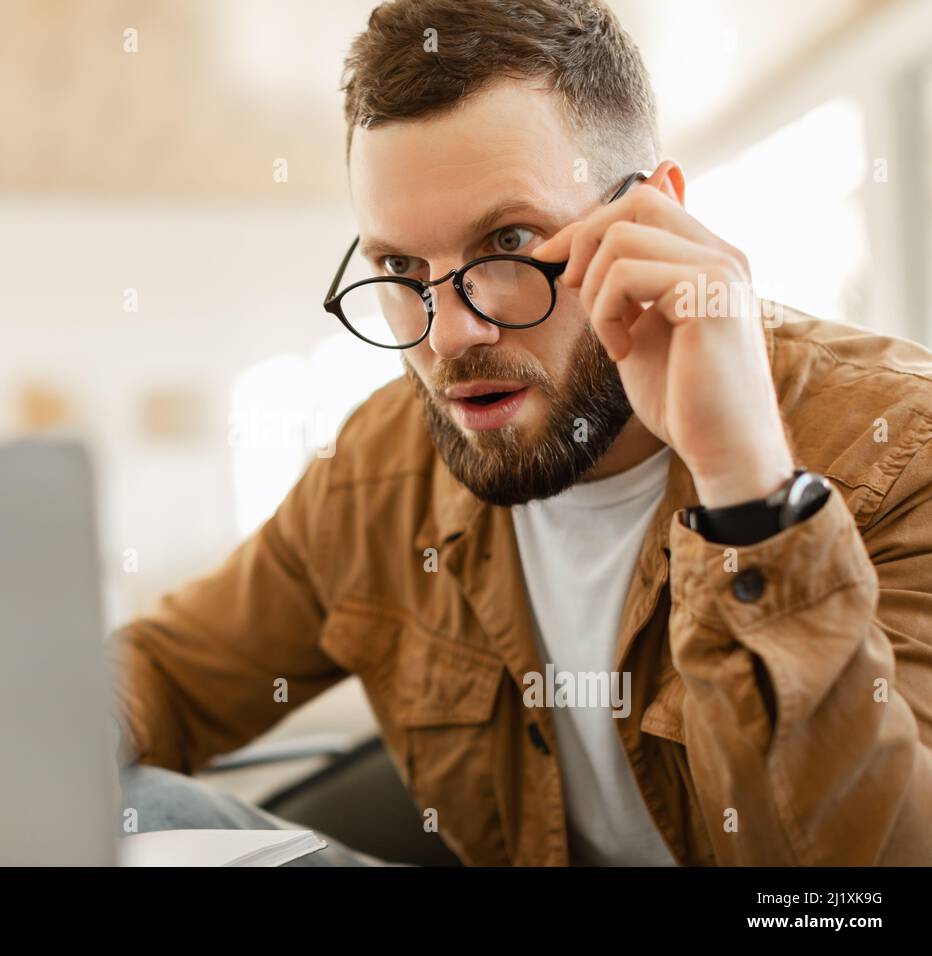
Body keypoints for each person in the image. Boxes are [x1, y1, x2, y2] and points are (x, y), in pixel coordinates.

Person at [109, 0, 932, 865]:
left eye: (507, 240)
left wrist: (748, 490)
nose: (446, 335)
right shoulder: (376, 467)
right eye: (400, 267)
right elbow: (166, 670)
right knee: (136, 807)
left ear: (655, 214)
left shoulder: (899, 443)